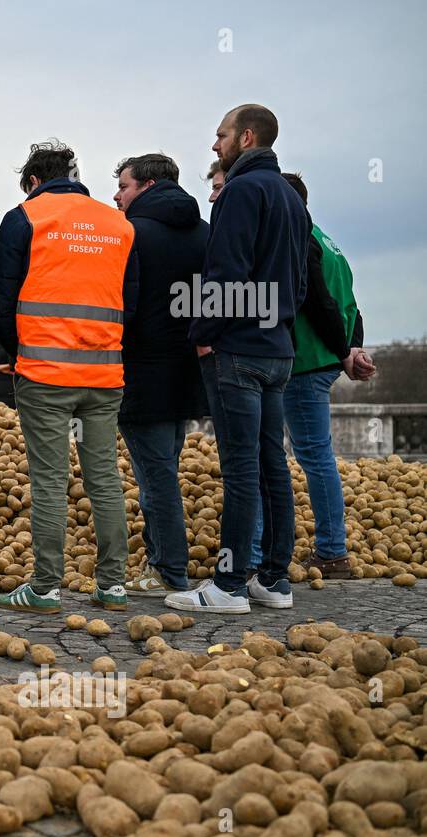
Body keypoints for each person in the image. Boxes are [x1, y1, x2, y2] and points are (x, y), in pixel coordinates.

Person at [165, 104, 310, 615]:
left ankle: (227, 585)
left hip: (239, 351)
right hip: (279, 349)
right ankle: (274, 580)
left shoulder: (241, 191)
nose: (214, 144)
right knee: (273, 466)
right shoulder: (292, 200)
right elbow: (300, 283)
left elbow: (225, 272)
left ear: (246, 137)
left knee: (241, 469)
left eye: (221, 134)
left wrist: (203, 334)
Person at [0, 141, 137, 615]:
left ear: (33, 182)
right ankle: (113, 585)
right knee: (105, 479)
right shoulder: (118, 224)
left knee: (50, 480)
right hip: (105, 371)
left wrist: (17, 351)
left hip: (44, 372)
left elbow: (2, 295)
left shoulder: (25, 217)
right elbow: (128, 299)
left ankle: (46, 588)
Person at [242, 173, 375, 580]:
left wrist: (339, 348)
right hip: (323, 361)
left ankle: (329, 551)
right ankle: (329, 549)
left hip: (302, 361)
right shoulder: (331, 243)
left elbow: (318, 302)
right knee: (316, 456)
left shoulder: (299, 239)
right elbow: (349, 304)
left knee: (303, 457)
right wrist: (350, 348)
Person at [111, 153, 209, 596]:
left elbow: (122, 308)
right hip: (188, 372)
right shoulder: (205, 232)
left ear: (147, 186)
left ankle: (168, 568)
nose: (116, 195)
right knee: (164, 467)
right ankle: (169, 560)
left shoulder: (131, 235)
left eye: (124, 186)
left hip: (143, 374)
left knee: (156, 479)